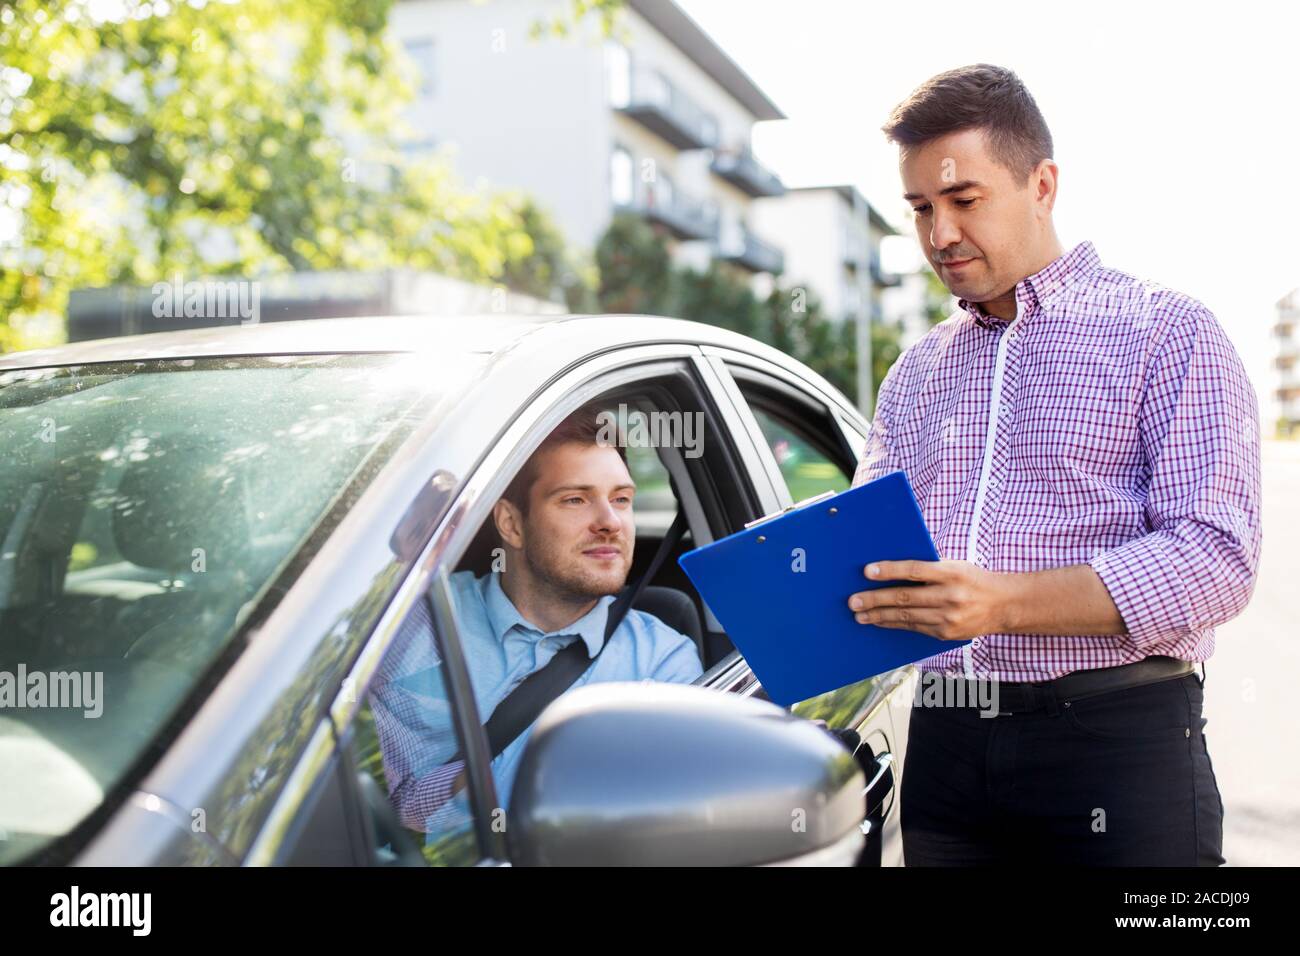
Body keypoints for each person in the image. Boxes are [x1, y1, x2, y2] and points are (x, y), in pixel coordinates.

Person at [846, 64, 1261, 865]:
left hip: (1115, 746)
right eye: (922, 209)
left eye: (964, 200)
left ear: (1042, 185)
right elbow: (881, 549)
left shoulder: (1168, 333)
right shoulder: (914, 372)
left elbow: (1216, 559)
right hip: (947, 745)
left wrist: (1002, 604)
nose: (939, 235)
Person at [369, 404, 704, 835]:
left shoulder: (663, 661)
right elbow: (389, 810)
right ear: (511, 523)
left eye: (621, 499)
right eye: (575, 499)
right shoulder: (418, 625)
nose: (610, 522)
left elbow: (662, 827)